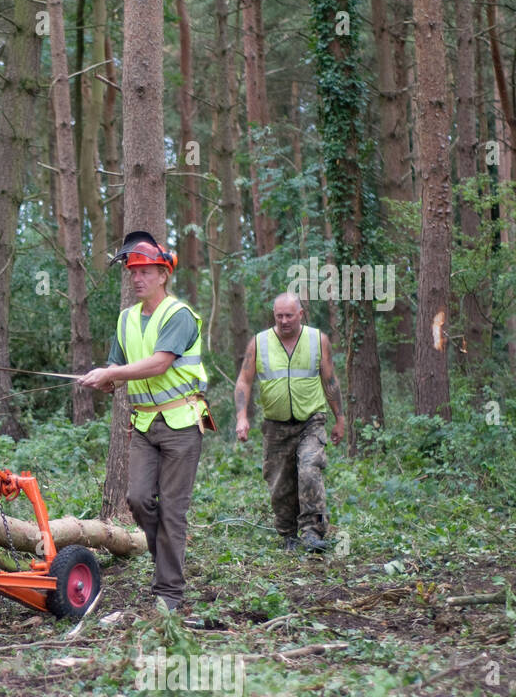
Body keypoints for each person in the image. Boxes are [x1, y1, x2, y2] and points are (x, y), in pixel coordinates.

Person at [79, 232, 214, 615]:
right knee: (138, 499)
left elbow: (158, 363)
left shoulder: (179, 315)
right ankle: (166, 562)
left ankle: (169, 591)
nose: (137, 278)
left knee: (173, 509)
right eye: (132, 272)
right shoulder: (125, 320)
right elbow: (118, 373)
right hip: (143, 425)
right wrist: (102, 379)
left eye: (145, 271)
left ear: (162, 275)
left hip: (182, 423)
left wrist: (113, 372)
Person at [234, 292, 345, 553]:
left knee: (309, 470)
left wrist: (340, 418)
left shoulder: (318, 340)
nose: (284, 321)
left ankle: (313, 532)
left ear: (300, 314)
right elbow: (244, 381)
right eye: (279, 316)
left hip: (311, 421)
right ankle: (288, 534)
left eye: (289, 316)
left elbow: (330, 381)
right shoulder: (259, 343)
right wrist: (242, 416)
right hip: (275, 425)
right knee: (279, 483)